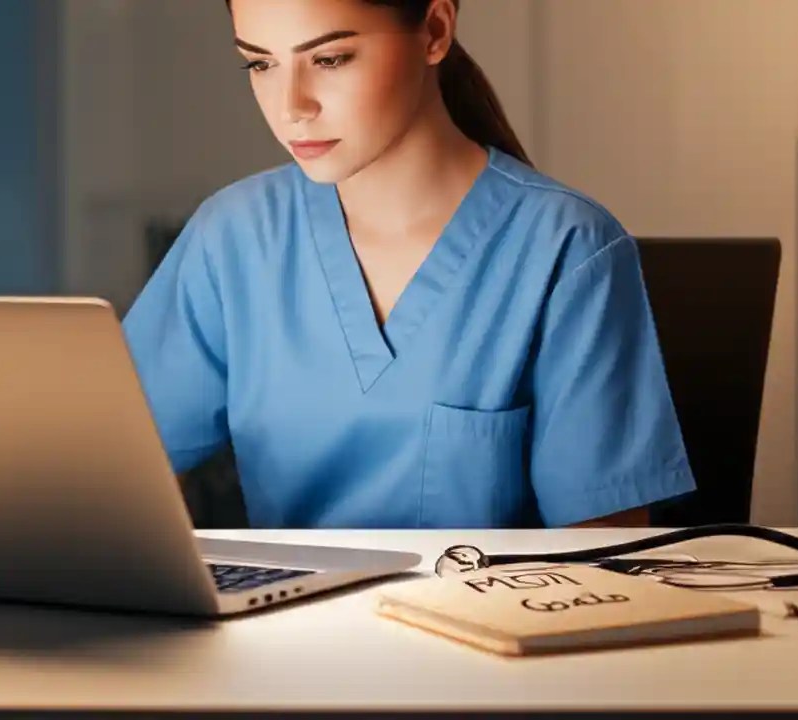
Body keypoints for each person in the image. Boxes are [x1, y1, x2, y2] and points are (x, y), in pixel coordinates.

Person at [120, 0, 695, 529]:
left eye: (330, 58)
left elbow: (601, 565)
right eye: (261, 65)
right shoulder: (233, 238)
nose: (292, 107)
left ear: (436, 32)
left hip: (484, 634)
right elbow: (104, 467)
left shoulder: (565, 247)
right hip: (279, 636)